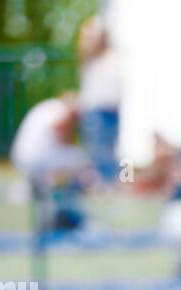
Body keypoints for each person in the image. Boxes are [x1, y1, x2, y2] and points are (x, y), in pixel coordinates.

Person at [10, 94, 91, 231]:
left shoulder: (49, 107)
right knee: (80, 161)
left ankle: (47, 191)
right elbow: (61, 130)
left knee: (77, 161)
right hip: (38, 159)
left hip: (26, 158)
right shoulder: (61, 111)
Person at [77, 15, 124, 183]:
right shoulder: (92, 61)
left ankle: (106, 184)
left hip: (106, 111)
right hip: (94, 111)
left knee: (104, 154)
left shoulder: (112, 59)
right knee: (95, 154)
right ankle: (100, 184)